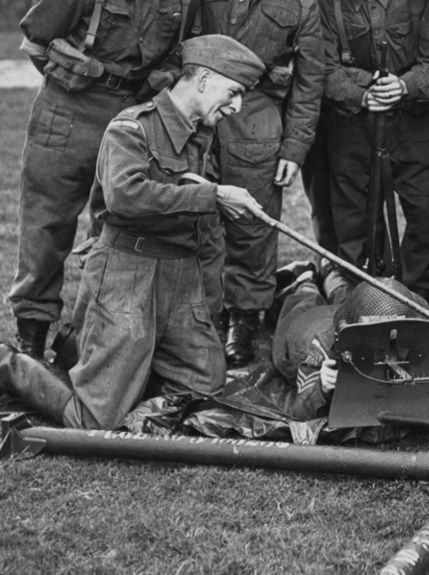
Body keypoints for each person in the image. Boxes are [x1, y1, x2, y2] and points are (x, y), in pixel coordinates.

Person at [0, 35, 266, 430]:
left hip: (178, 278)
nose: (237, 106)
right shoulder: (130, 127)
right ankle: (10, 364)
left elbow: (204, 227)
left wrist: (207, 301)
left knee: (206, 385)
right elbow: (126, 197)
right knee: (95, 417)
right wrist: (212, 194)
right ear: (205, 80)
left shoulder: (202, 134)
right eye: (234, 92)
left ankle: (128, 366)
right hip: (128, 274)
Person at [10, 0, 192, 358]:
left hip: (132, 112)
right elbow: (37, 38)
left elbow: (184, 49)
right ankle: (30, 337)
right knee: (45, 225)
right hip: (68, 107)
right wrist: (74, 79)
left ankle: (90, 334)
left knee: (116, 227)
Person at [198, 0, 324, 367]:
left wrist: (295, 146)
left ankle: (244, 317)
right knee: (190, 212)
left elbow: (310, 78)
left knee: (252, 223)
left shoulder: (302, 5)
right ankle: (196, 313)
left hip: (255, 116)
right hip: (196, 107)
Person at [319, 0, 429, 304]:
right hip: (353, 124)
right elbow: (322, 68)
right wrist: (362, 92)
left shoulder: (421, 5)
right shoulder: (331, 6)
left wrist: (404, 86)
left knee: (425, 212)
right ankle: (367, 296)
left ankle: (418, 298)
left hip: (414, 122)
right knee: (355, 218)